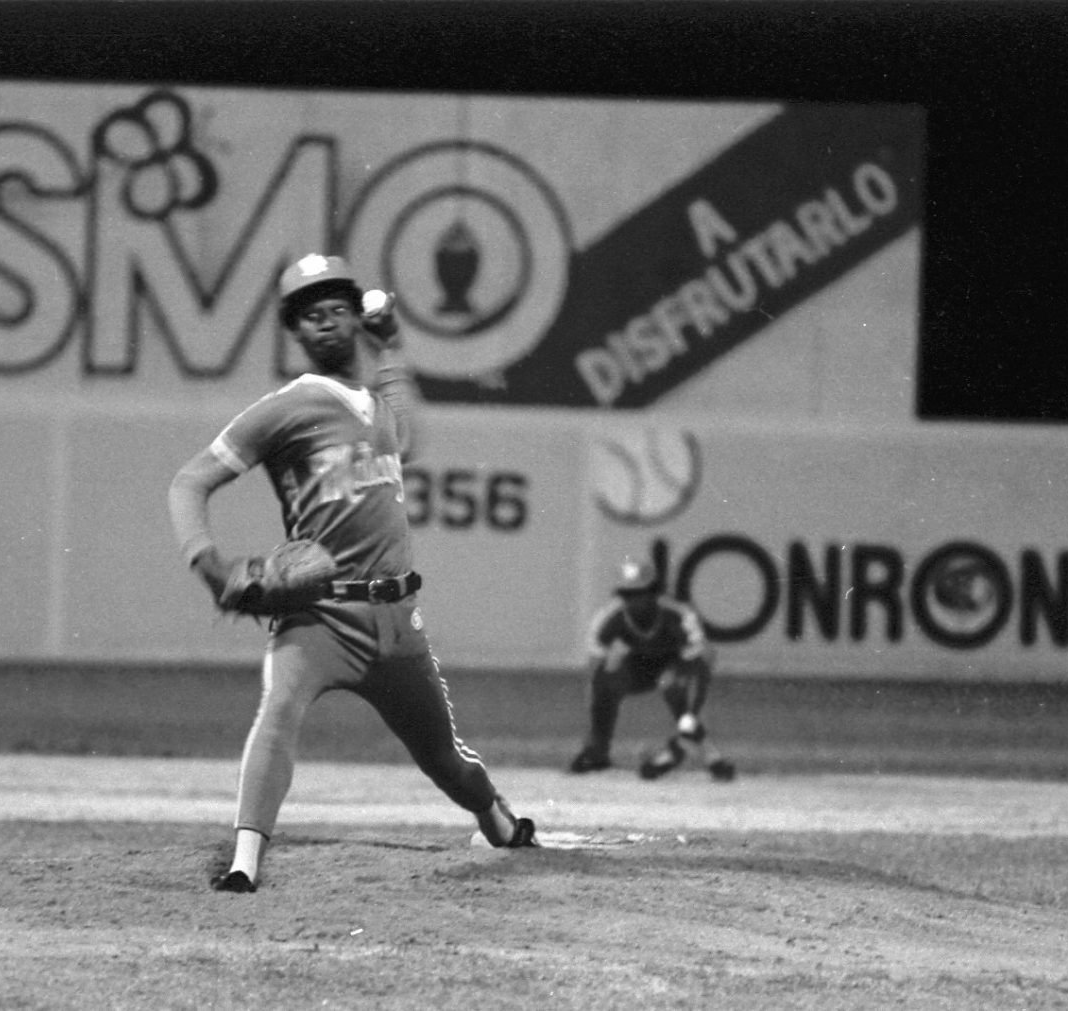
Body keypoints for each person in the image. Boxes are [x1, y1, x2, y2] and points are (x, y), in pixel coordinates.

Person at [167, 253, 539, 893]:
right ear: (297, 332)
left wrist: (391, 344)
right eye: (310, 315)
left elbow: (412, 437)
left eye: (337, 309)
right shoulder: (286, 408)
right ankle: (244, 862)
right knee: (277, 713)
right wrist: (208, 563)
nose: (326, 323)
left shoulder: (375, 403)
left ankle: (498, 821)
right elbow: (190, 481)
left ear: (353, 319)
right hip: (318, 615)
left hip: (397, 620)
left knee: (444, 757)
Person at [567, 559, 736, 781]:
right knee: (606, 680)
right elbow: (594, 668)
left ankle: (709, 755)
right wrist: (590, 729)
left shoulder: (677, 615)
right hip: (639, 666)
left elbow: (703, 659)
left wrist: (690, 711)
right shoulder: (610, 618)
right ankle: (597, 752)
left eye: (640, 593)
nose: (633, 601)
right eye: (627, 595)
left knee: (673, 685)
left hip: (679, 664)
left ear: (654, 592)